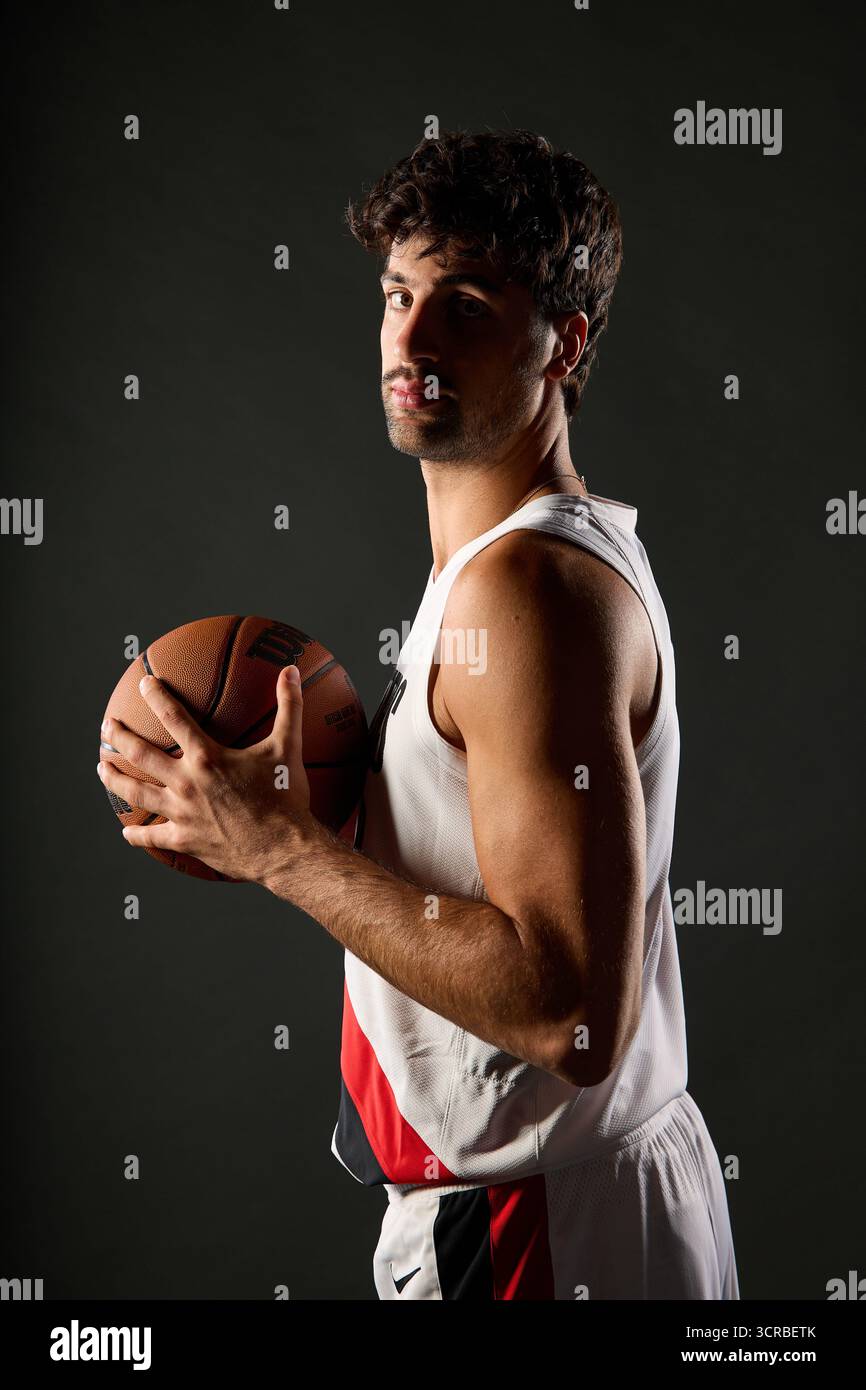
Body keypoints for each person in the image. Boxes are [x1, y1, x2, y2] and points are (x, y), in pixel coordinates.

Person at [102, 128, 739, 1300]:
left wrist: (283, 851)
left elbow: (565, 1009)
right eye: (397, 295)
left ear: (565, 342)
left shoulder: (526, 589)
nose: (410, 336)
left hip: (538, 1231)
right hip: (547, 1203)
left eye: (465, 304)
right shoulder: (513, 566)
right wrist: (280, 808)